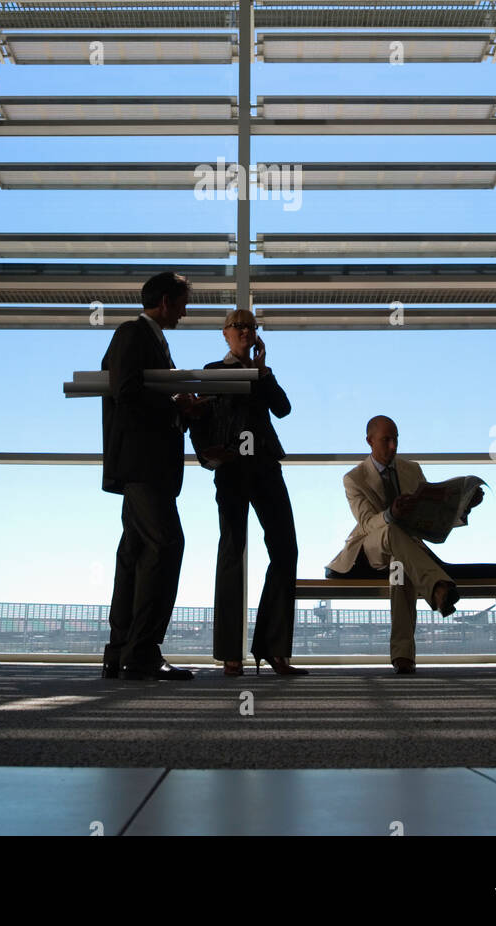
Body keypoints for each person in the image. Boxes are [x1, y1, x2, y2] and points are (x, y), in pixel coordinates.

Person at [100, 271, 205, 682]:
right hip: (142, 466)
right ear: (164, 301)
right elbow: (126, 390)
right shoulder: (133, 334)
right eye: (181, 303)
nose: (184, 312)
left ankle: (120, 652)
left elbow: (139, 393)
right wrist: (175, 403)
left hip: (146, 466)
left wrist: (181, 407)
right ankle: (141, 651)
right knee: (166, 545)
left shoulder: (155, 343)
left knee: (135, 553)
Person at [202, 309, 306, 677]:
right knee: (232, 551)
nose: (245, 330)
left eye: (250, 326)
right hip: (232, 467)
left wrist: (263, 370)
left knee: (286, 549)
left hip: (264, 466)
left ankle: (274, 648)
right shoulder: (213, 371)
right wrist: (209, 457)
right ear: (225, 333)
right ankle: (231, 654)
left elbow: (283, 409)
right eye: (238, 326)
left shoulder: (262, 373)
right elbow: (204, 419)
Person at [326, 415, 461, 675]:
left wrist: (462, 507)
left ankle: (403, 657)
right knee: (390, 531)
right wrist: (392, 513)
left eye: (396, 439)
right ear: (369, 441)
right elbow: (366, 523)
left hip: (403, 549)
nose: (393, 446)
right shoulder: (354, 478)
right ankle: (437, 587)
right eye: (386, 440)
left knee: (400, 566)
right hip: (368, 548)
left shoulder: (412, 469)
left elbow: (431, 516)